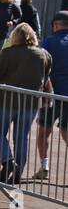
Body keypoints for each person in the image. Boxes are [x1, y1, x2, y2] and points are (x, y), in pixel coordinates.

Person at [0, 22, 52, 186]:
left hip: (6, 100)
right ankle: (18, 171)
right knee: (21, 136)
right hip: (30, 102)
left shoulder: (8, 53)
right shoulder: (44, 54)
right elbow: (45, 78)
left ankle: (8, 160)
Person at [32, 11, 68, 180]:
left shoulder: (49, 41)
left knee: (43, 131)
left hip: (51, 94)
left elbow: (41, 64)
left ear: (56, 25)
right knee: (66, 132)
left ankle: (44, 166)